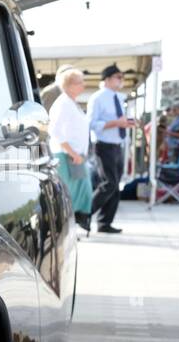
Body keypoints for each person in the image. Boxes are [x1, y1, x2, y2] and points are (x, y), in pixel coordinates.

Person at [87, 63, 137, 234]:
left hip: (117, 145)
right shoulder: (98, 98)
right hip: (104, 145)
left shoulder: (119, 97)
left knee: (115, 186)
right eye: (118, 77)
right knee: (109, 183)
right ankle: (85, 215)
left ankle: (104, 222)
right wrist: (117, 123)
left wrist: (128, 123)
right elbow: (92, 124)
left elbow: (120, 120)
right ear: (107, 79)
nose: (121, 80)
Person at [48, 67, 94, 233]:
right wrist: (72, 152)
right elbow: (55, 130)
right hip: (67, 155)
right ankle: (67, 226)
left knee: (82, 190)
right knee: (72, 192)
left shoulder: (71, 103)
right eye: (80, 82)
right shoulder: (63, 103)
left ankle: (77, 223)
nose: (83, 85)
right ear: (69, 84)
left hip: (75, 155)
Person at [166, 101, 179, 165]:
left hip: (177, 147)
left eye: (175, 109)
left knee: (174, 165)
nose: (173, 111)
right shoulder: (177, 118)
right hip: (173, 147)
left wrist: (169, 133)